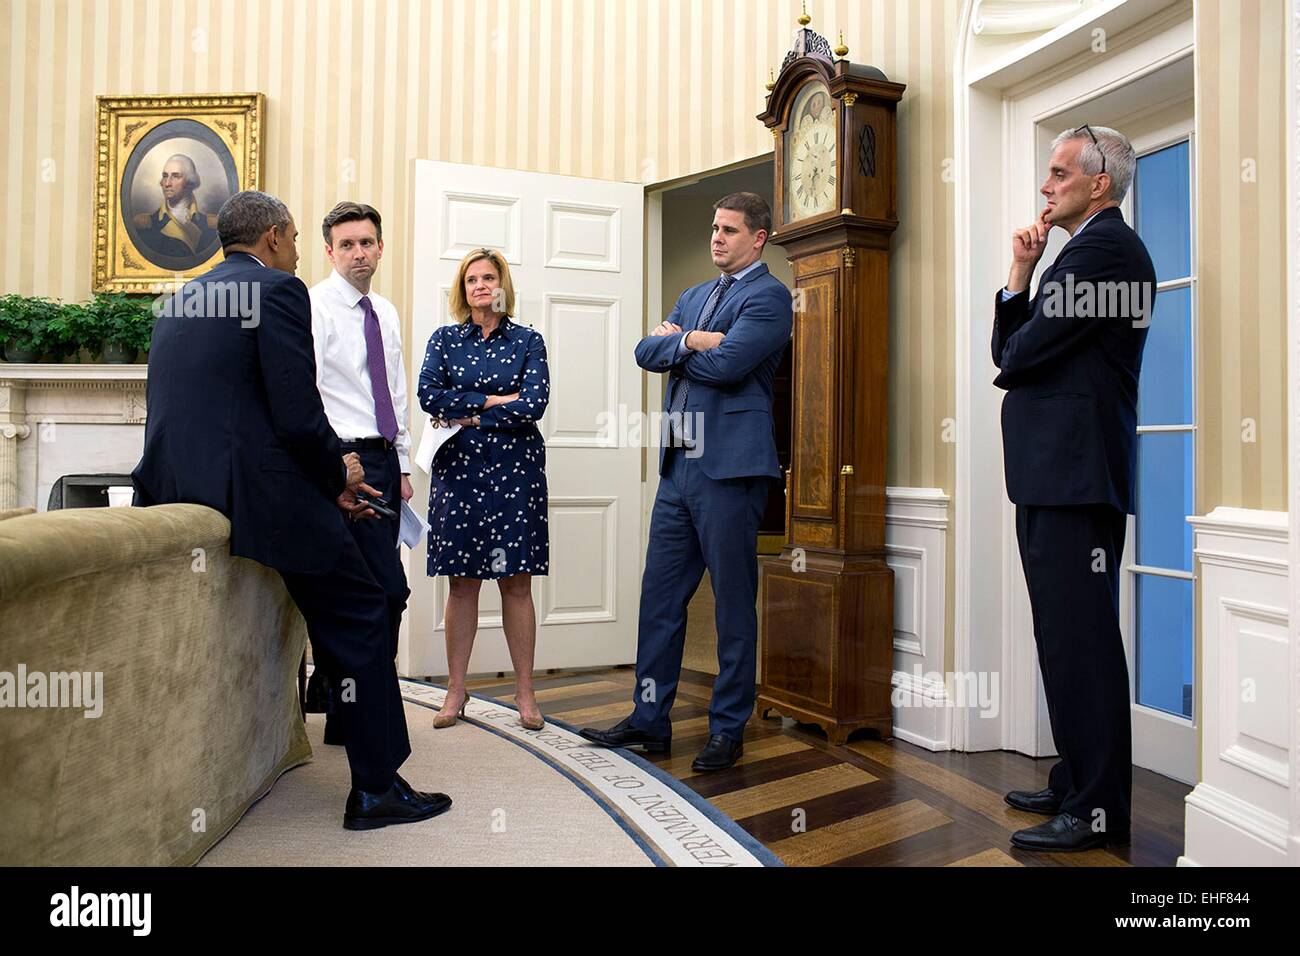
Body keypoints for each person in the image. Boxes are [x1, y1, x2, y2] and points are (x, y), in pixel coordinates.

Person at [132, 189, 451, 831]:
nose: (300, 251)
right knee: (365, 606)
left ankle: (335, 722)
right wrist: (339, 473)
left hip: (177, 492)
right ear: (275, 237)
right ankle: (376, 788)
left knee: (350, 596)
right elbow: (296, 410)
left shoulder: (181, 297)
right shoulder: (279, 293)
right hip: (257, 494)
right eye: (300, 239)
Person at [579, 192, 793, 772]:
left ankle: (728, 729)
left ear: (759, 237)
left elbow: (729, 368)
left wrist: (679, 347)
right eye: (713, 228)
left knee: (732, 607)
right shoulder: (695, 297)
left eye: (729, 230)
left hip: (731, 471)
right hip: (679, 467)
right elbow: (645, 351)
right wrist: (692, 340)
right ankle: (649, 719)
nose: (717, 238)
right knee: (660, 599)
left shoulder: (771, 298)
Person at [992, 125, 1155, 852]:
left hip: (1076, 477)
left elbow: (1018, 356)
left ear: (1099, 184)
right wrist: (1019, 276)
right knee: (1060, 638)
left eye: (1058, 173)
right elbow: (1012, 349)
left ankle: (1098, 809)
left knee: (1081, 642)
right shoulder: (1075, 253)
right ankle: (1075, 780)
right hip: (1054, 475)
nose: (1044, 185)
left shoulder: (1107, 252)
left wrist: (1026, 298)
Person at [416, 248, 549, 731]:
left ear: (503, 286)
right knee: (462, 584)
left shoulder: (529, 341)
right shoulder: (445, 340)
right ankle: (456, 690)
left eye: (489, 277)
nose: (480, 285)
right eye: (472, 279)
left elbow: (533, 403)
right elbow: (429, 395)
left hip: (517, 474)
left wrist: (467, 409)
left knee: (516, 583)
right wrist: (494, 400)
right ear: (463, 288)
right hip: (458, 474)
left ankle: (525, 694)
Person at [304, 201, 413, 747]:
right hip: (343, 461)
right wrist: (333, 466)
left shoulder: (385, 312)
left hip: (383, 458)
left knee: (380, 588)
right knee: (379, 591)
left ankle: (341, 701)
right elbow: (308, 390)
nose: (359, 252)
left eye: (367, 242)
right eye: (347, 244)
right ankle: (351, 700)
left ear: (380, 246)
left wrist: (405, 464)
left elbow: (395, 389)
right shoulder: (313, 307)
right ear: (329, 251)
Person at [132, 153, 220, 264]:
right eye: (165, 176)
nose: (167, 183)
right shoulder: (145, 225)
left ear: (189, 182)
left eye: (175, 176)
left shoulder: (210, 225)